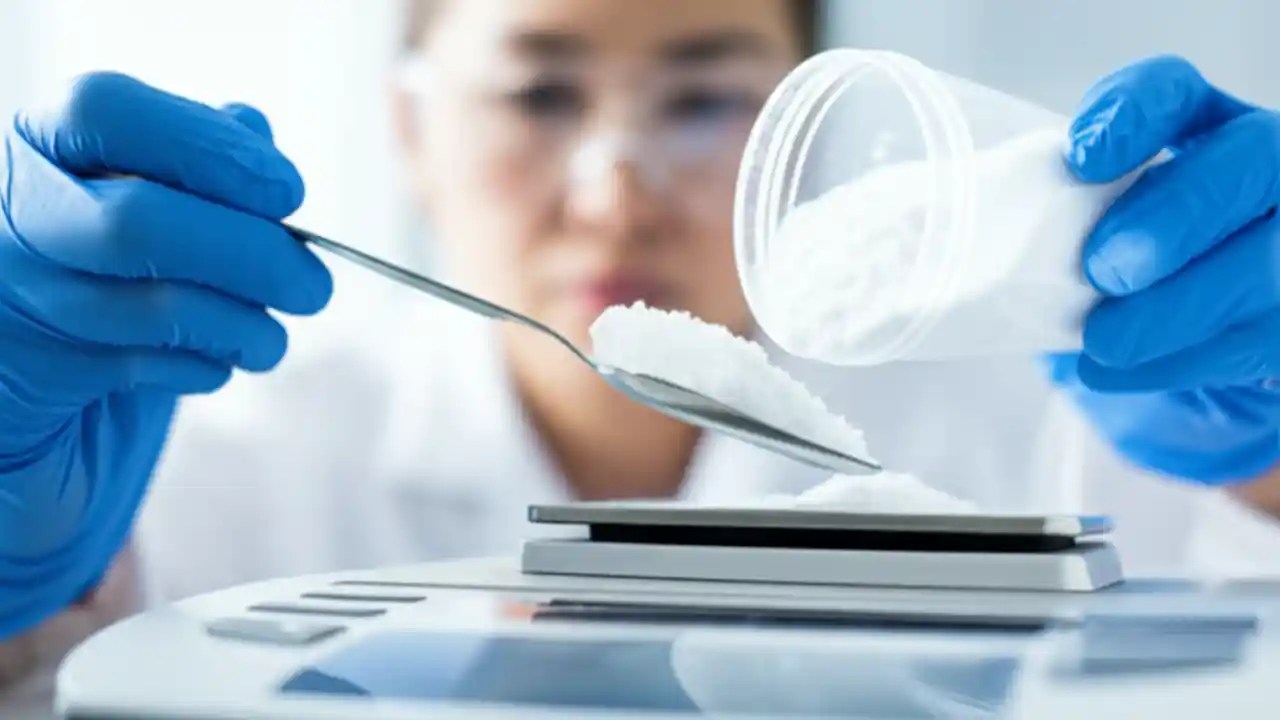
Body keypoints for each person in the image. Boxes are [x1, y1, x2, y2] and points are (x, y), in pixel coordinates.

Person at [4, 0, 1280, 712]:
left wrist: (1267, 468)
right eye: (538, 95)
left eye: (703, 99)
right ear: (410, 132)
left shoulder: (1032, 431)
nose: (616, 192)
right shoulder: (237, 459)